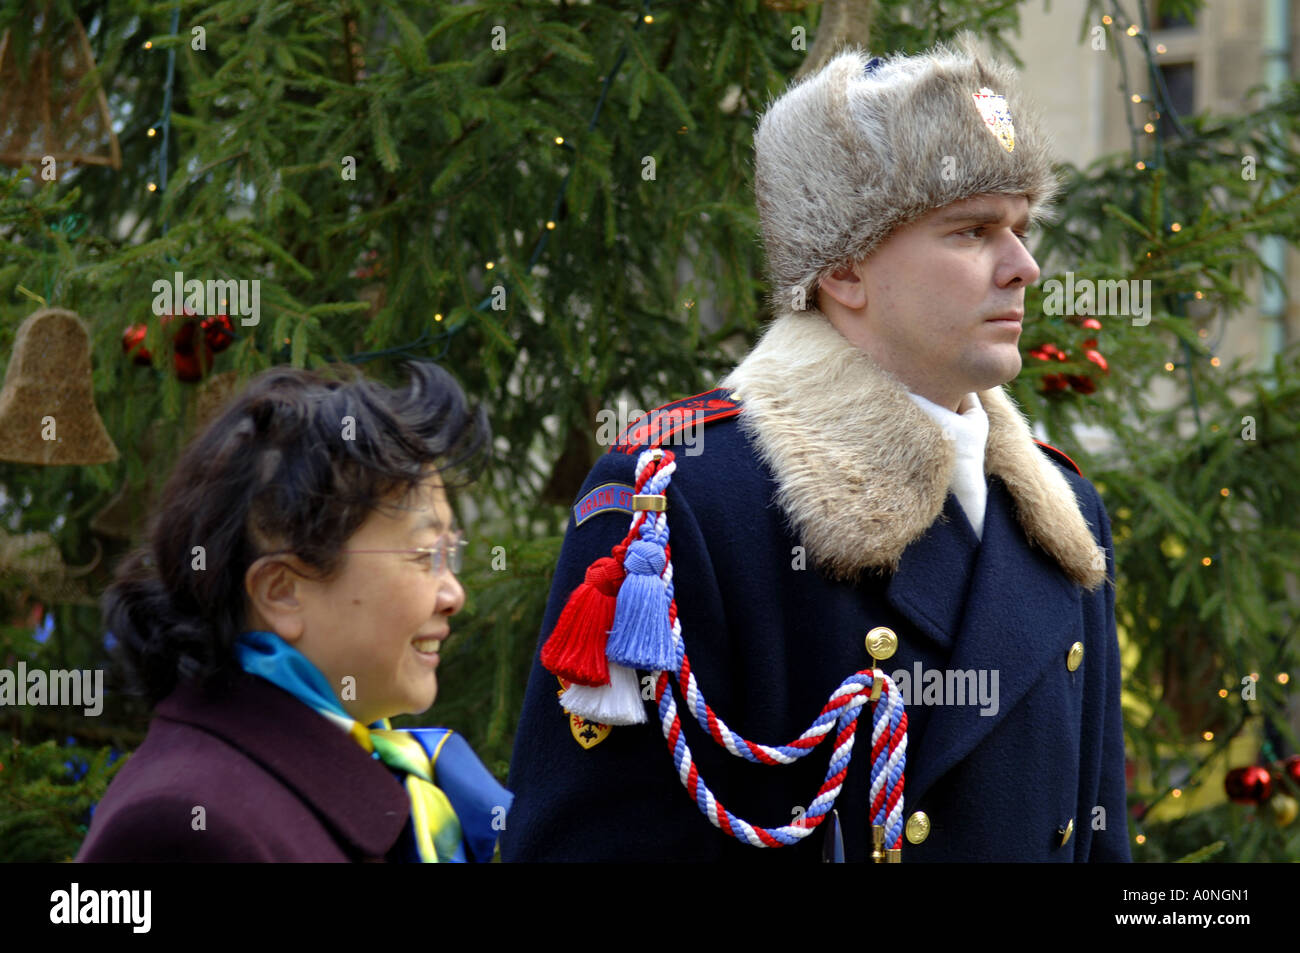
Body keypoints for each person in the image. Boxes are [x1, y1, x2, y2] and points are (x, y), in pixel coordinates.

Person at [501, 36, 1131, 862]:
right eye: (973, 231)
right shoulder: (685, 493)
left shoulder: (1063, 513)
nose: (1025, 266)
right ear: (843, 269)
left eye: (1019, 227)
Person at [78, 362, 510, 862]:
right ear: (282, 591)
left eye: (449, 554)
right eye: (424, 555)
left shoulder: (380, 770)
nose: (454, 594)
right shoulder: (182, 829)